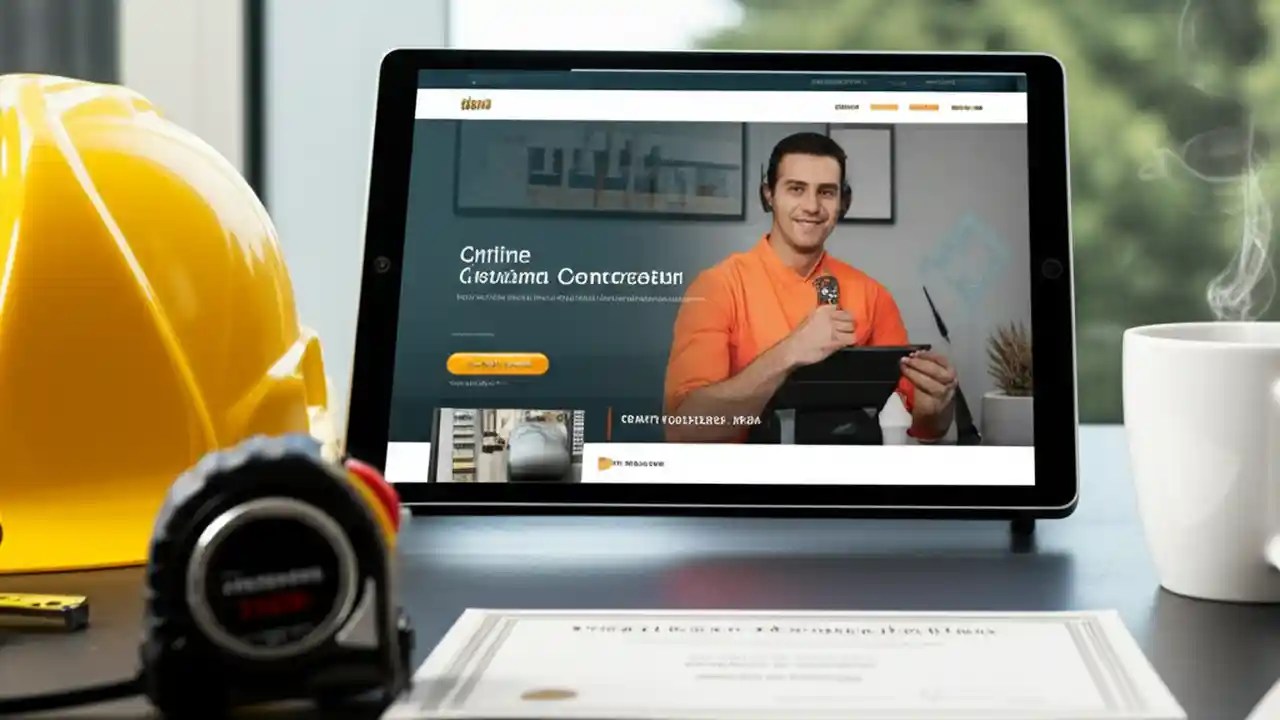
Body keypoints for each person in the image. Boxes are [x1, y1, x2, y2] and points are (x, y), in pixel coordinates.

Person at [662, 131, 958, 444]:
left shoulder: (872, 295)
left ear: (843, 202)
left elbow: (924, 425)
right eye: (796, 189)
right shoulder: (717, 287)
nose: (812, 206)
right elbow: (684, 430)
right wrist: (791, 351)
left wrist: (936, 407)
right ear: (769, 194)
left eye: (826, 192)